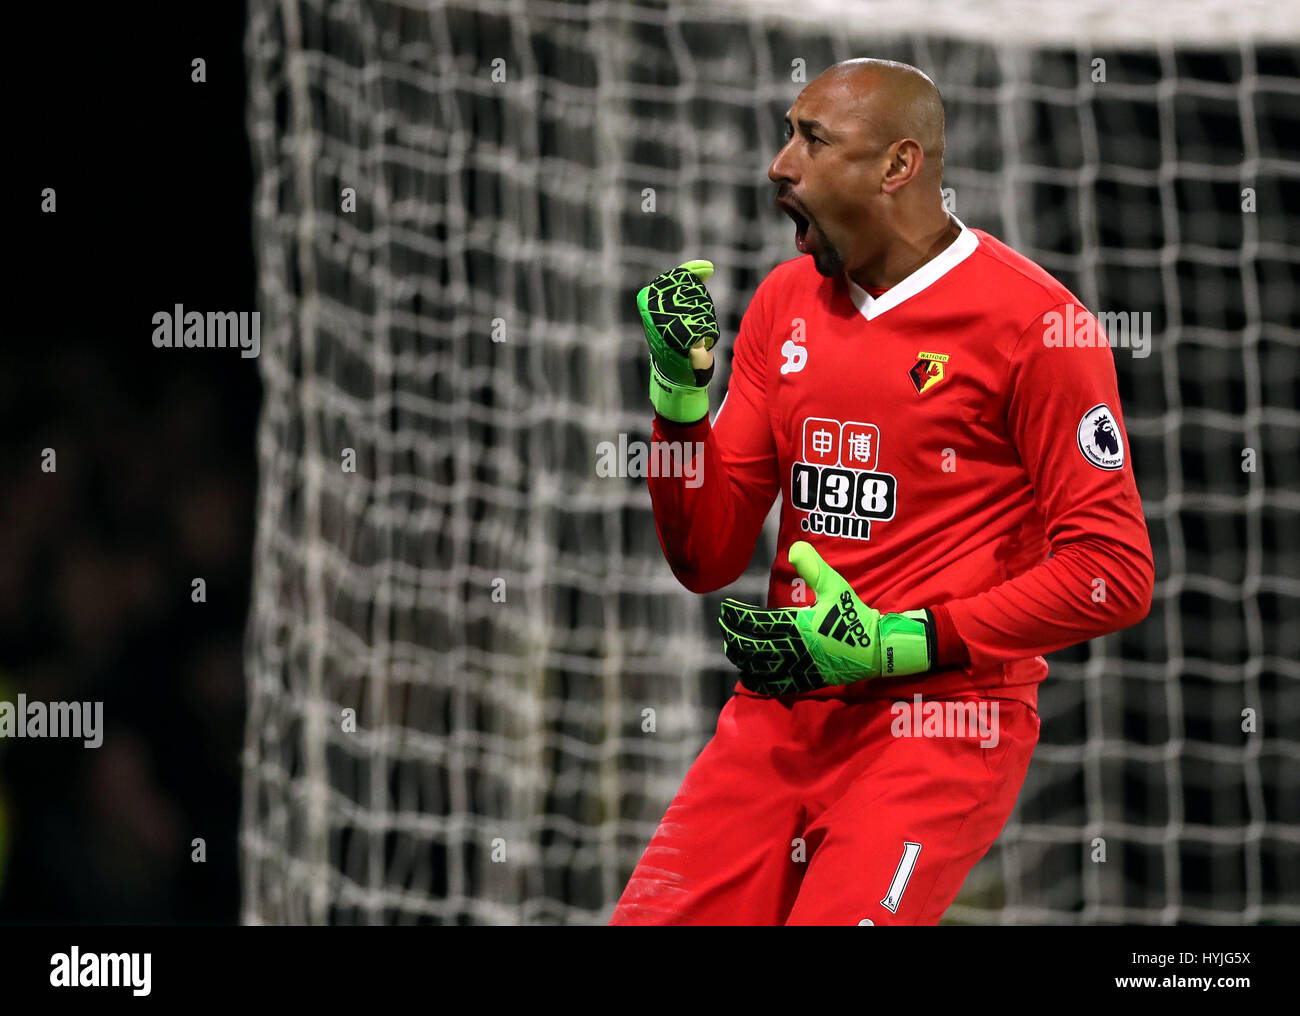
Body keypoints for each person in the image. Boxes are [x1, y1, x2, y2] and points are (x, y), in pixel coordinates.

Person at [610, 58, 1154, 925]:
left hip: (939, 728)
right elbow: (706, 557)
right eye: (786, 134)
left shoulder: (1037, 328)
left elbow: (1114, 571)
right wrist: (680, 399)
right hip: (782, 715)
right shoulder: (785, 303)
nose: (780, 164)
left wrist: (896, 642)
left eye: (813, 139)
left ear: (899, 166)